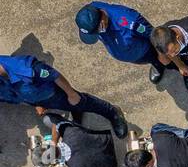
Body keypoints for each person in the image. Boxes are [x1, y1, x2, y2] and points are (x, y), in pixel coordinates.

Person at [0, 54, 128, 138]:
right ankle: (76, 110)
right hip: (36, 98)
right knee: (70, 106)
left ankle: (112, 112)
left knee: (80, 102)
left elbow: (54, 76)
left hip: (52, 93)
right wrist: (36, 103)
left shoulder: (26, 68)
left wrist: (71, 94)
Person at [74, 2, 168, 85]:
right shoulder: (91, 11)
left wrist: (161, 54)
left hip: (144, 51)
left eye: (96, 31)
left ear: (102, 20)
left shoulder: (131, 21)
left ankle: (158, 65)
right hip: (129, 54)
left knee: (156, 59)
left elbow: (153, 35)